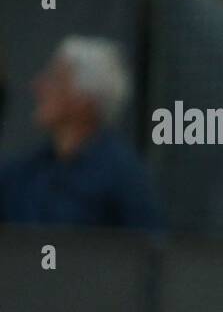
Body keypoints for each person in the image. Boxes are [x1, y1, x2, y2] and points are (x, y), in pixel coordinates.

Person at [0, 36, 162, 230]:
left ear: (85, 99)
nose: (39, 86)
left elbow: (149, 252)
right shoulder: (20, 174)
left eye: (55, 79)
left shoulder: (125, 180)